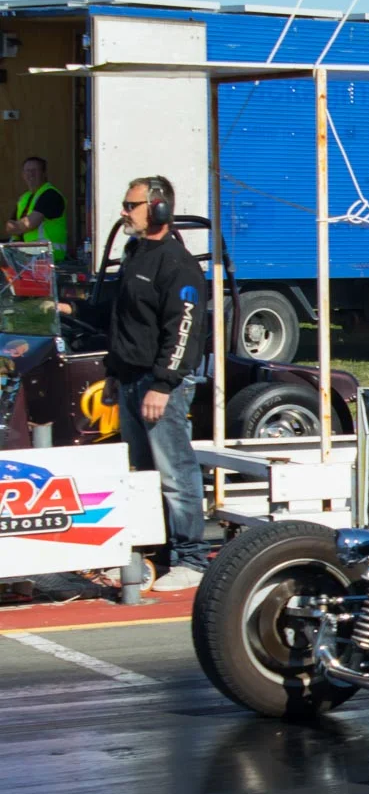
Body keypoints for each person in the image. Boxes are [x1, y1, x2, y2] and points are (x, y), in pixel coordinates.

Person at [108, 175, 211, 590]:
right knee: (142, 474)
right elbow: (123, 319)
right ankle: (155, 553)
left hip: (157, 383)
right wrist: (114, 372)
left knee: (174, 471)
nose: (124, 212)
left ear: (158, 209)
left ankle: (192, 559)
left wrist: (164, 383)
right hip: (130, 378)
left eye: (131, 205)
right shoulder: (136, 252)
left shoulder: (176, 262)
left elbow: (184, 329)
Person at [5, 157, 68, 262]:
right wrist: (18, 227)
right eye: (27, 171)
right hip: (30, 254)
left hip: (48, 255)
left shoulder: (50, 195)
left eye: (35, 170)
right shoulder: (25, 198)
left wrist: (17, 226)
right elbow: (8, 227)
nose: (30, 174)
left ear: (44, 173)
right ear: (23, 175)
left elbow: (29, 223)